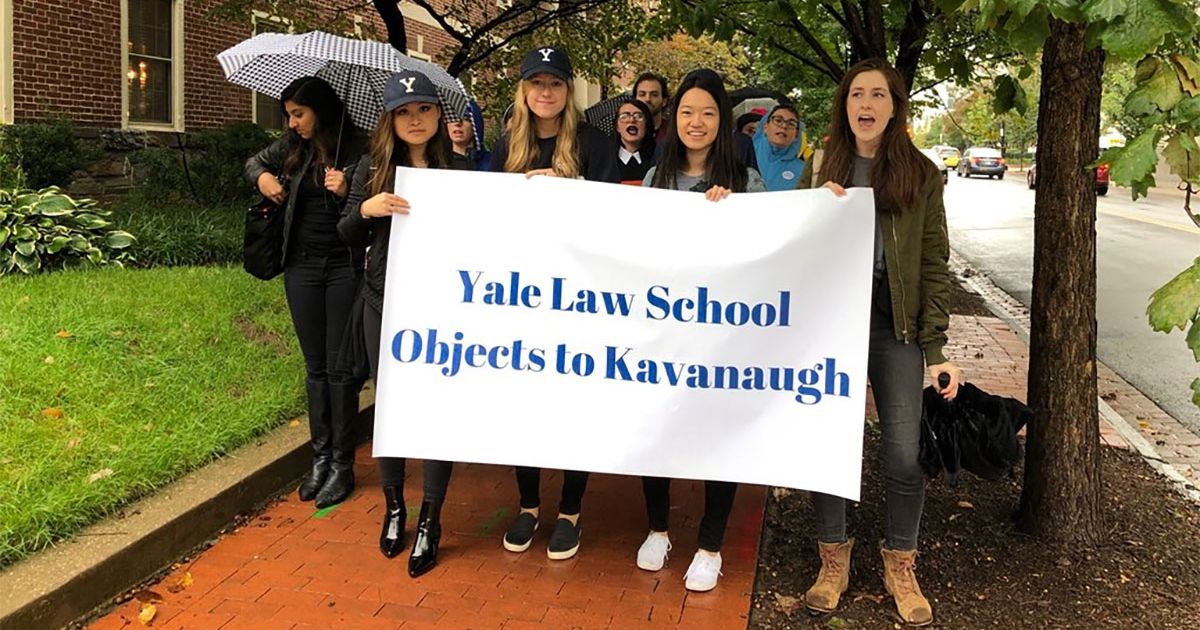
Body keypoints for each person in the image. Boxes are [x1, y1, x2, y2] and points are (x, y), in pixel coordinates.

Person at [806, 58, 960, 626]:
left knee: (902, 452)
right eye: (855, 95)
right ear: (844, 106)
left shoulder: (921, 175)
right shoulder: (821, 165)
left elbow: (933, 262)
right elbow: (788, 241)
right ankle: (832, 559)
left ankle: (900, 562)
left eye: (877, 94)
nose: (865, 104)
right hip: (830, 326)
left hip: (894, 327)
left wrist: (937, 348)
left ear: (895, 106)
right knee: (828, 443)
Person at [336, 70, 473, 577]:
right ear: (389, 120)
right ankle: (395, 508)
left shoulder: (459, 169)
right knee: (390, 408)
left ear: (439, 116)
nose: (414, 120)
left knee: (437, 409)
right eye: (403, 112)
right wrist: (368, 209)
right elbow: (345, 232)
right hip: (383, 299)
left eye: (423, 110)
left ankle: (430, 519)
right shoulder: (371, 168)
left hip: (441, 304)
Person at [637, 68, 765, 593]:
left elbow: (774, 248)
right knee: (659, 427)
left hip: (723, 334)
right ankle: (658, 529)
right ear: (674, 118)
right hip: (665, 329)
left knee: (717, 433)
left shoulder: (747, 181)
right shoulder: (655, 179)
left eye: (708, 112)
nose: (697, 122)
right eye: (687, 111)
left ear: (723, 121)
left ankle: (710, 544)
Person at [491, 45, 620, 561]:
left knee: (572, 403)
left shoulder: (595, 143)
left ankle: (570, 509)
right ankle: (527, 504)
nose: (545, 92)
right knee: (526, 402)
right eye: (536, 83)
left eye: (556, 83)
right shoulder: (505, 147)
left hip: (580, 295)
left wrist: (571, 188)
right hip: (522, 296)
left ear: (568, 92)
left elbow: (619, 212)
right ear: (523, 91)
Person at [244, 76, 366, 510]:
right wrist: (263, 180)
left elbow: (372, 201)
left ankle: (342, 464)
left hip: (342, 267)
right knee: (314, 366)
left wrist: (348, 189)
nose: (293, 123)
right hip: (300, 266)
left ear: (321, 109)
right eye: (289, 115)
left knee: (340, 369)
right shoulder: (291, 148)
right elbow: (253, 163)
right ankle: (319, 460)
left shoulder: (356, 147)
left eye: (299, 114)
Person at [752, 104, 807, 191]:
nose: (784, 126)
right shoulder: (745, 158)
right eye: (778, 120)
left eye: (791, 124)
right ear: (765, 128)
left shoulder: (804, 170)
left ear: (796, 135)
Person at [611, 98, 656, 184]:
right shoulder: (605, 158)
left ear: (647, 125)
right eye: (624, 116)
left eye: (638, 116)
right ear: (617, 126)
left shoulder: (658, 156)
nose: (631, 120)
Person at [448, 99, 492, 171]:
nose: (458, 123)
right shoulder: (435, 161)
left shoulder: (490, 163)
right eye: (452, 117)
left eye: (466, 118)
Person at [634, 72, 670, 143]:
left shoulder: (673, 132)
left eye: (654, 95)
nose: (647, 99)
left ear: (664, 101)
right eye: (642, 94)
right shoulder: (626, 132)